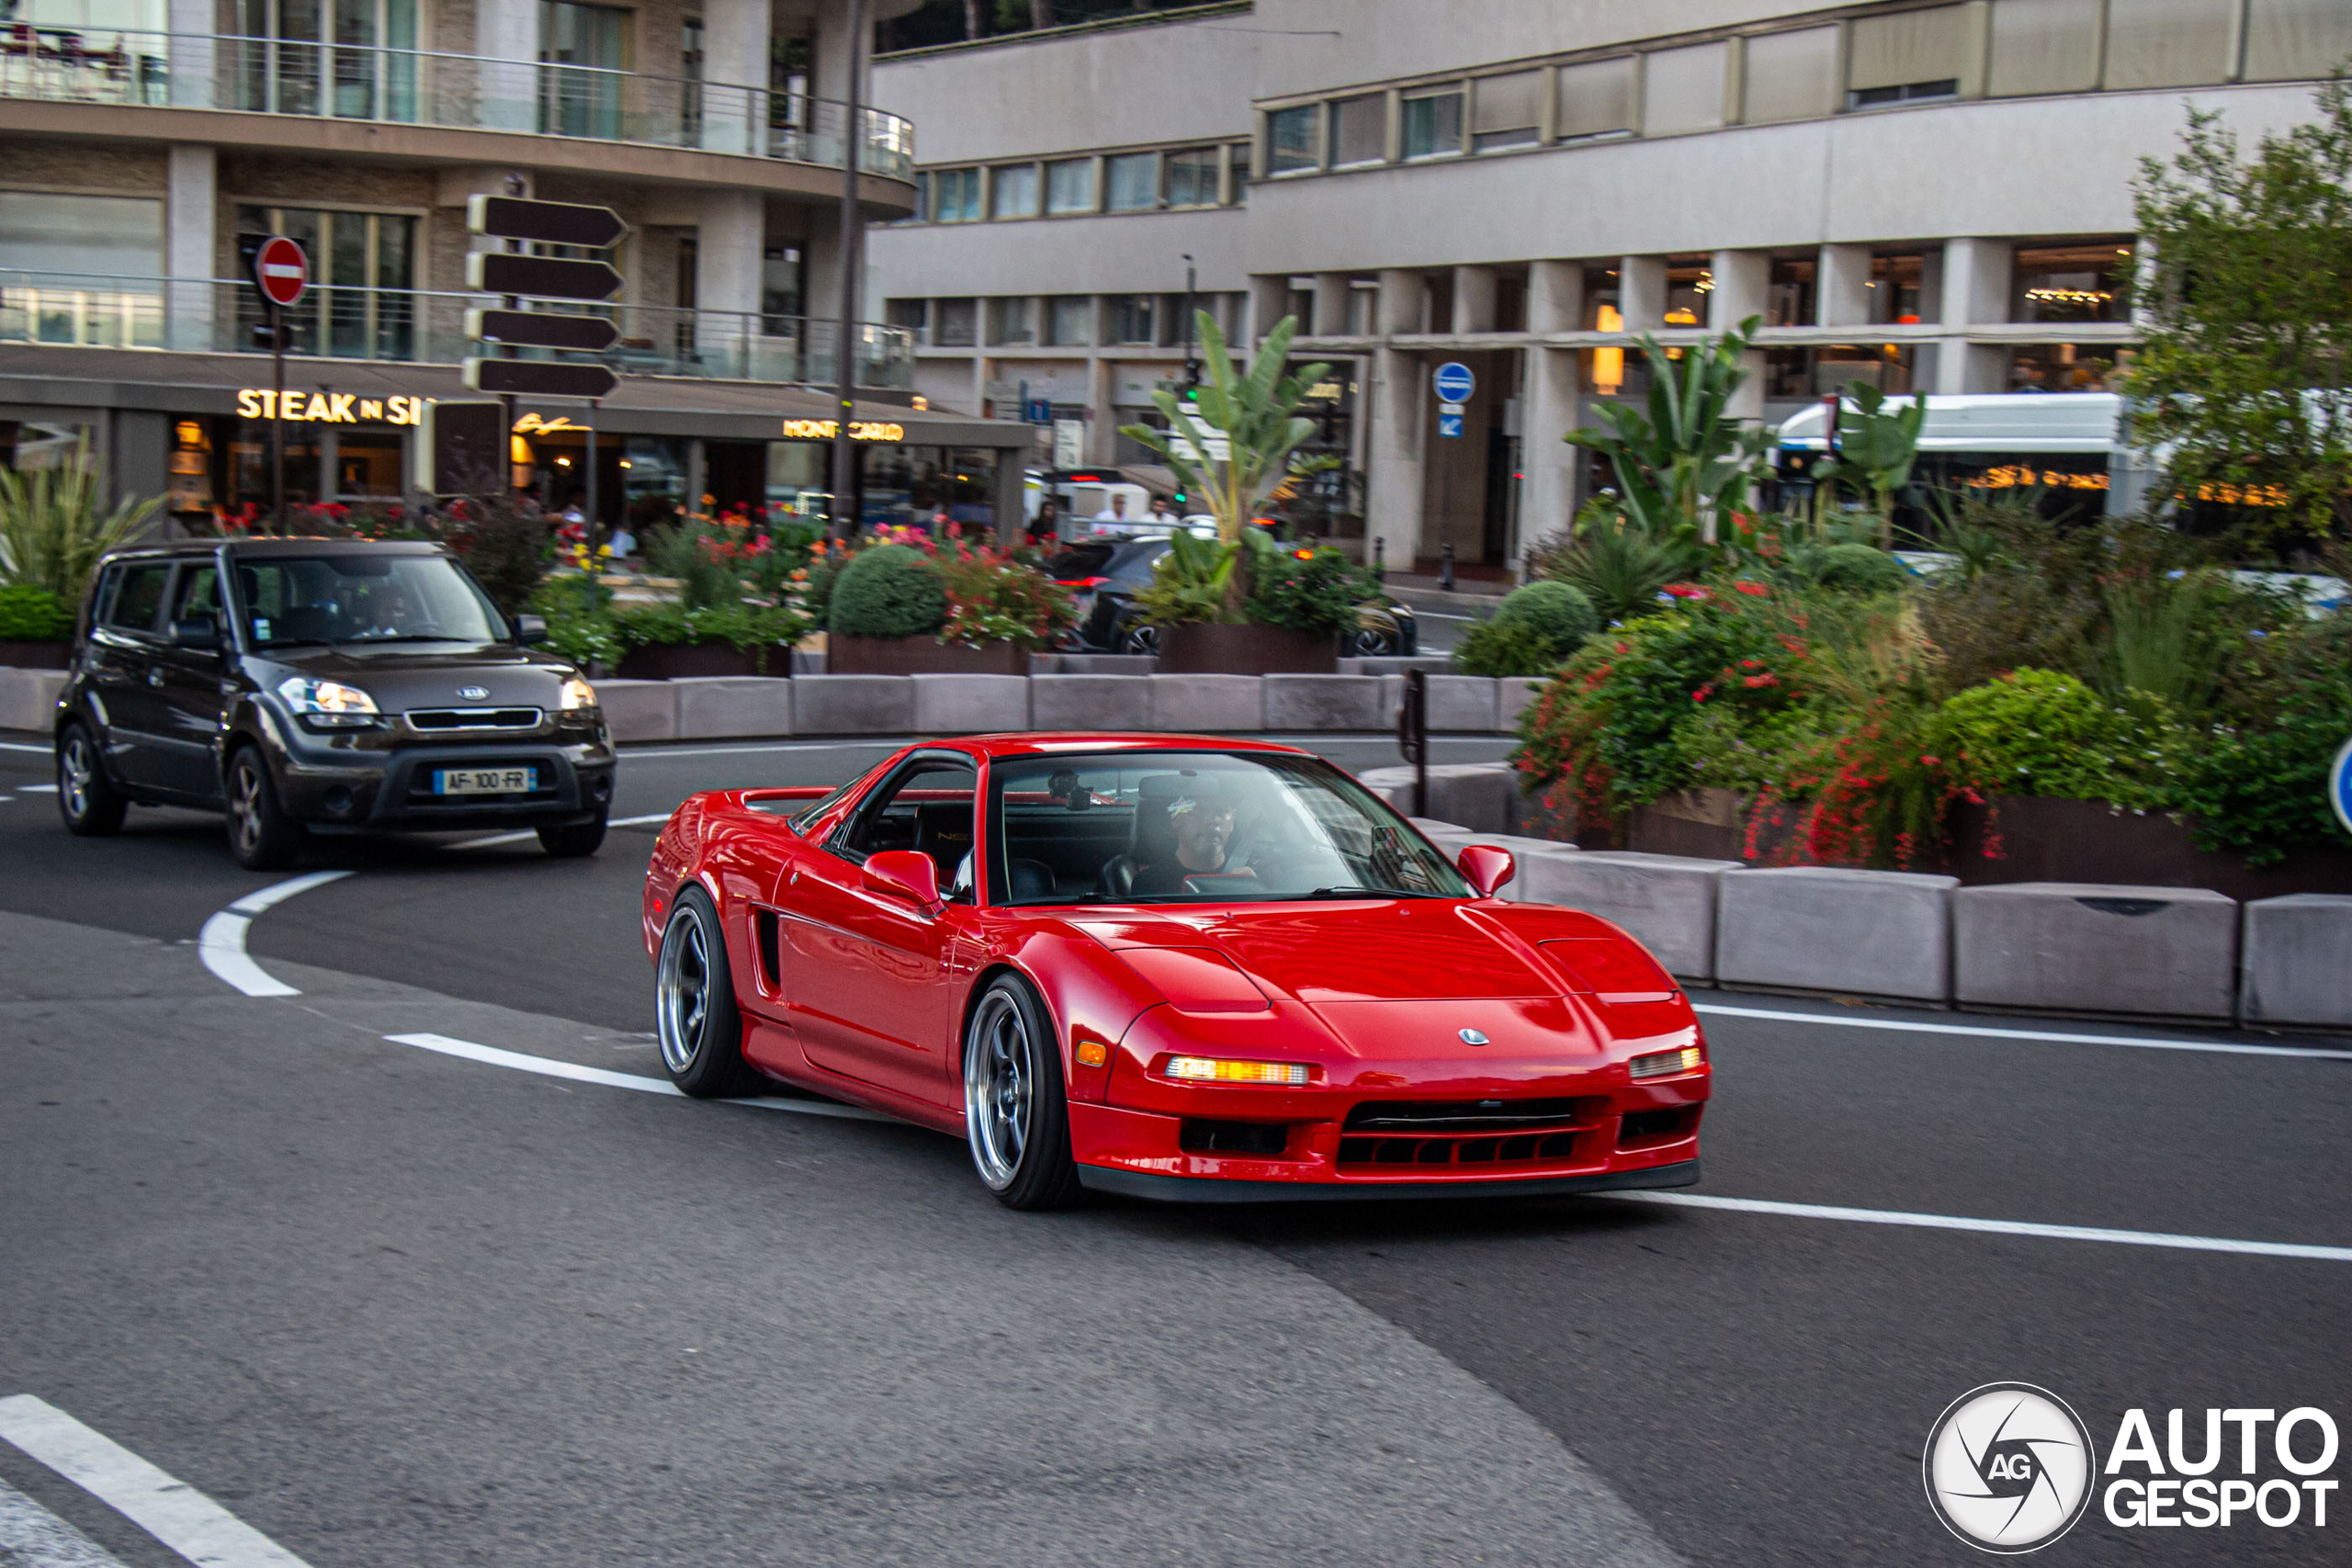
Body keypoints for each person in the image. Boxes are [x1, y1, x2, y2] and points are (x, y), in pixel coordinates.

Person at [1131, 783, 1244, 895]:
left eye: (1222, 811)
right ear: (1177, 819)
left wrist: (1253, 890)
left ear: (1232, 823)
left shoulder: (1248, 877)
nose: (1212, 820)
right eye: (1200, 810)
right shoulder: (1150, 884)